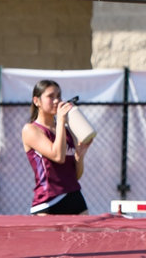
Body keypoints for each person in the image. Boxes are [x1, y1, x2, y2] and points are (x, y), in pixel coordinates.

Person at [22, 79, 92, 215]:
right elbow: (58, 156)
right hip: (48, 202)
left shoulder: (65, 129)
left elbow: (75, 176)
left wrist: (80, 156)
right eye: (50, 96)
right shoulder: (30, 129)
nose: (56, 101)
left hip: (74, 197)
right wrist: (60, 120)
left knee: (85, 237)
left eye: (58, 96)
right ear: (36, 101)